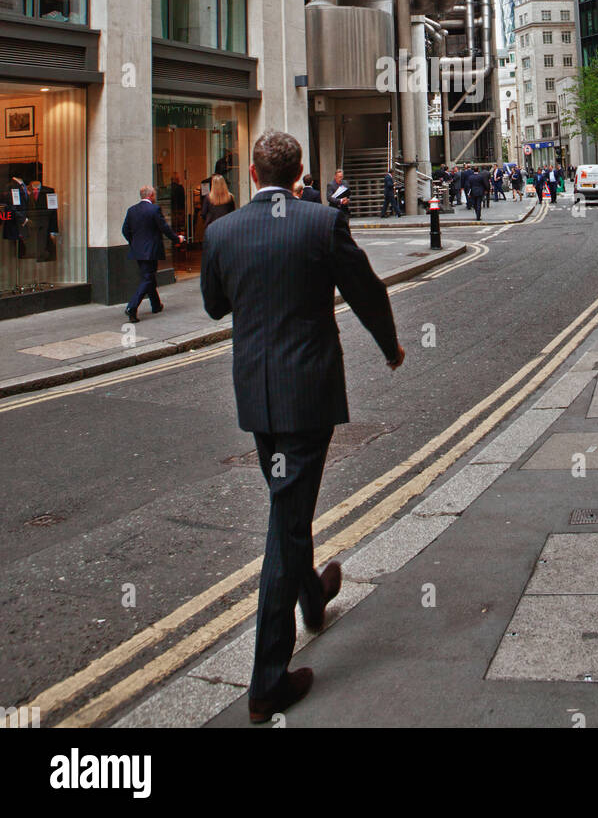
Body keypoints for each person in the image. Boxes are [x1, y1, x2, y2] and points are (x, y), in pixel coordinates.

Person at [201, 131, 405, 720]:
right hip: (307, 394)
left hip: (257, 399)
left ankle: (312, 598)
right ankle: (267, 682)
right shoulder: (320, 222)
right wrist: (390, 345)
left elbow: (215, 306)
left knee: (289, 508)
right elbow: (363, 288)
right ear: (298, 176)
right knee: (285, 524)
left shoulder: (223, 232)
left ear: (252, 173)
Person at [121, 185, 182, 322]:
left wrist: (135, 243)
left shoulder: (132, 210)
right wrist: (177, 238)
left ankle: (156, 305)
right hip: (151, 250)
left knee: (149, 276)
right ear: (151, 196)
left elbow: (125, 230)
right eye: (154, 194)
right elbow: (164, 228)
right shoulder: (154, 209)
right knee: (148, 278)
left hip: (138, 251)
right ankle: (132, 307)